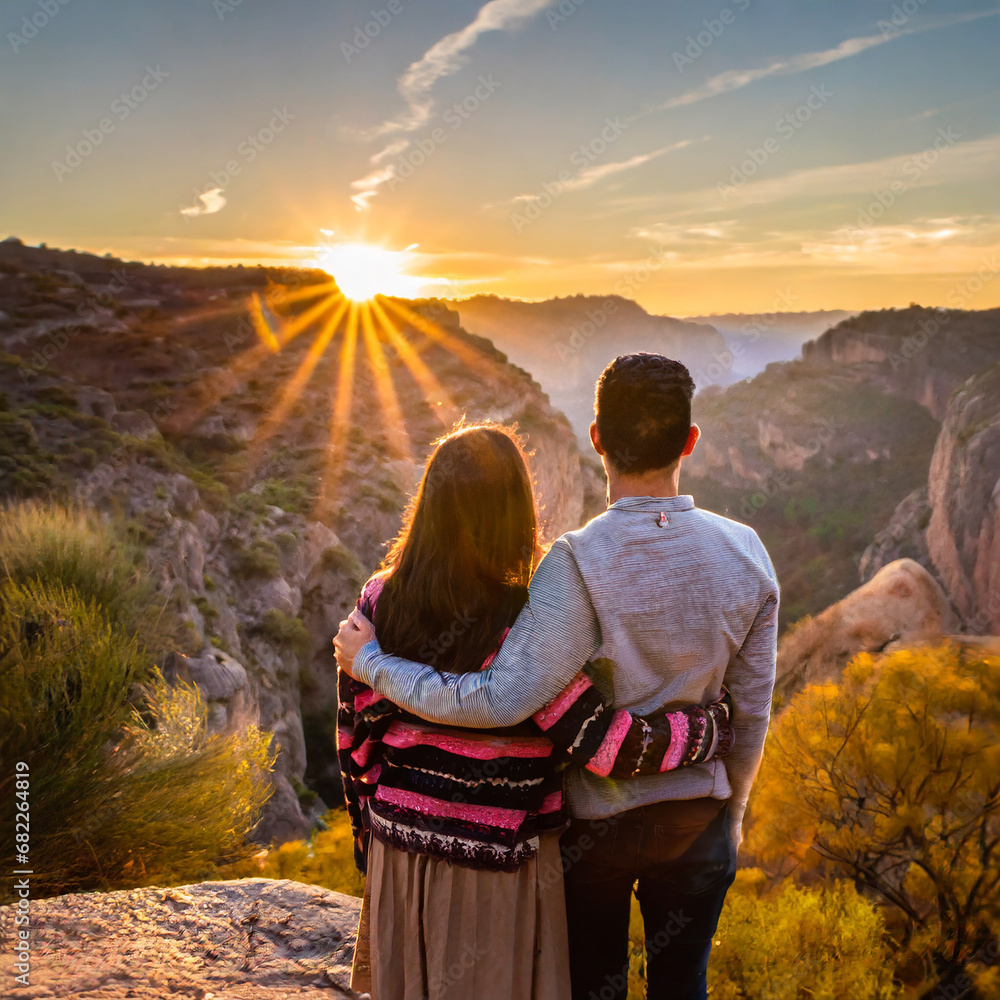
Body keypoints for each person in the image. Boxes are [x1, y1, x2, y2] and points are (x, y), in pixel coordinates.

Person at [336, 354, 779, 1000]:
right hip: (697, 818)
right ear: (689, 441)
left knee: (595, 986)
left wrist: (373, 667)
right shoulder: (747, 551)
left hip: (594, 828)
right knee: (683, 985)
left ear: (596, 439)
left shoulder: (573, 563)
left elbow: (495, 701)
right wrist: (731, 808)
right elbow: (753, 709)